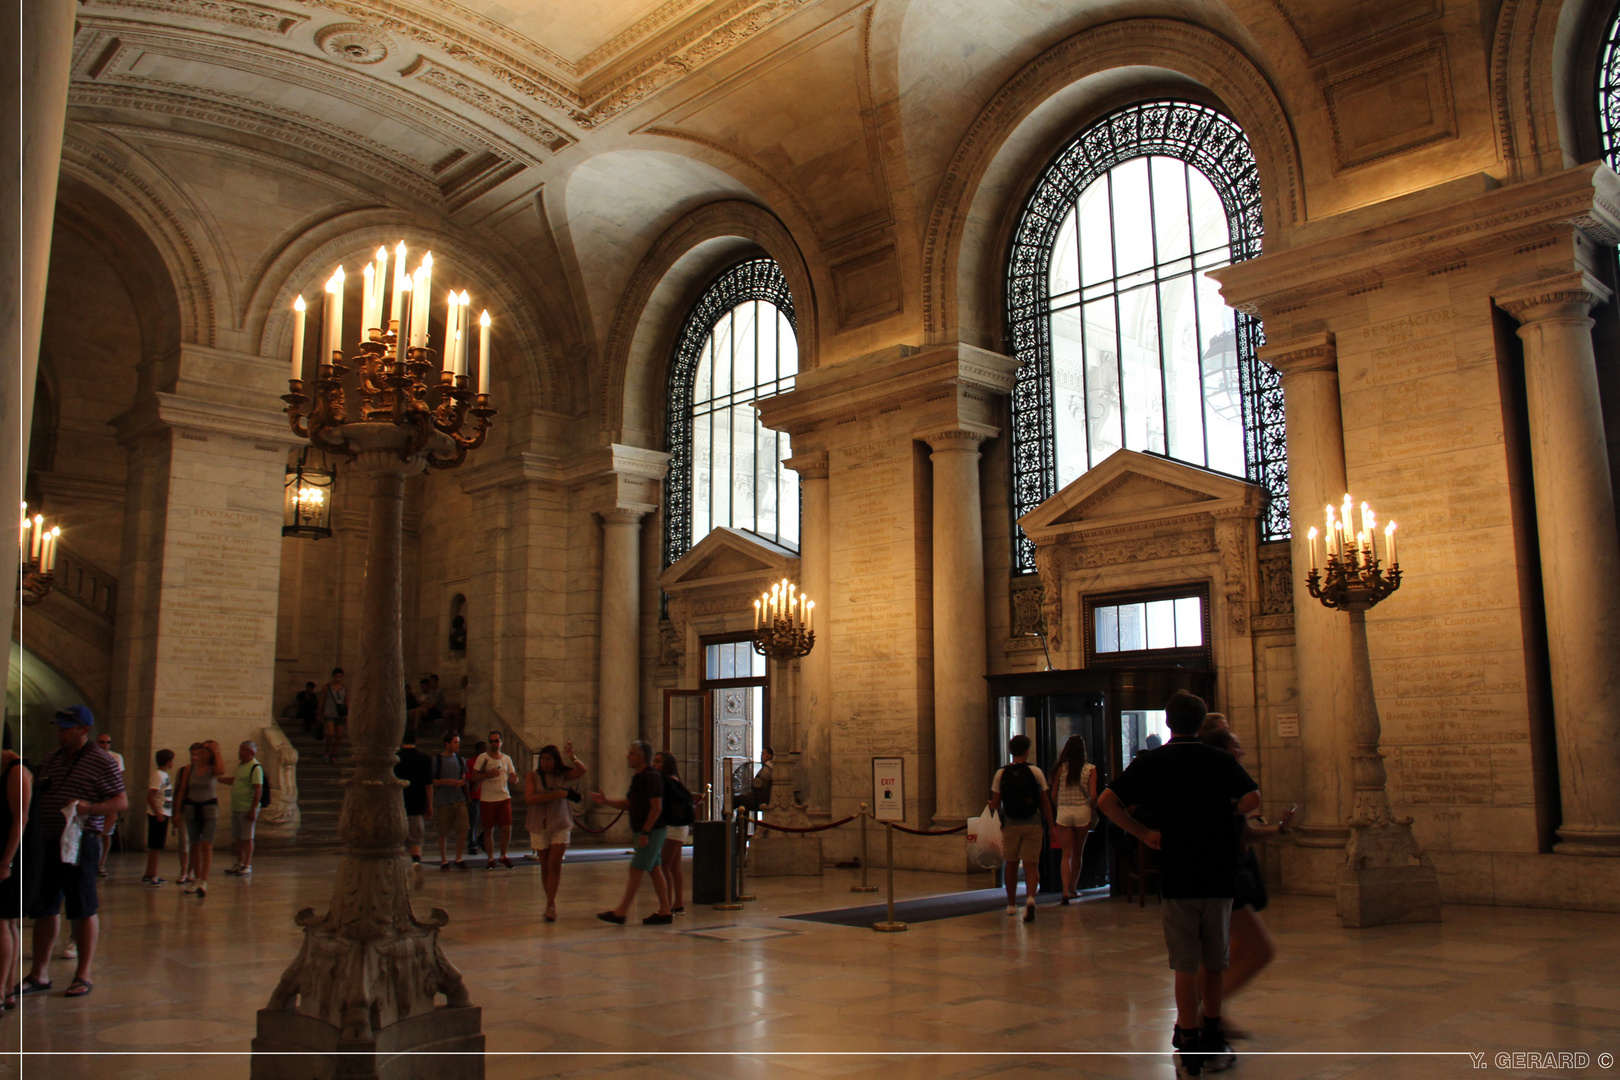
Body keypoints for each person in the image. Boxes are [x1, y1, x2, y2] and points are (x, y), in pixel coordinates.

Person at [1098, 691, 1260, 1079]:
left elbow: (1106, 801)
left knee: (1184, 966)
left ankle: (1187, 1040)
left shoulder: (1153, 761)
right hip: (1217, 874)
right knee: (1215, 962)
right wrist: (1223, 813)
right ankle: (1212, 1034)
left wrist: (1144, 834)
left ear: (1168, 723)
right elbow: (1252, 798)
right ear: (1201, 722)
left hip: (1178, 874)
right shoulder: (1220, 760)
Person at [21, 705, 128, 1000]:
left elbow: (120, 801)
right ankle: (39, 973)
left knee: (82, 907)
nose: (61, 733)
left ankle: (83, 973)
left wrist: (88, 809)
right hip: (48, 841)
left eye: (67, 728)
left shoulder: (101, 761)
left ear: (84, 729)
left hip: (81, 841)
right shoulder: (52, 759)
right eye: (59, 727)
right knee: (45, 907)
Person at [1201, 728, 1294, 1037]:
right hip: (1220, 876)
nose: (1241, 752)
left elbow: (1244, 834)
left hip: (1221, 875)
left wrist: (1278, 830)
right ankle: (1208, 1014)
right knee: (1260, 951)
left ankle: (1211, 1014)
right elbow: (1252, 802)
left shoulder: (1221, 786)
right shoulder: (1221, 787)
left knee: (1232, 951)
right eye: (1235, 746)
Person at [592, 740, 673, 925]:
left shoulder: (651, 777)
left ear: (641, 757)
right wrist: (606, 802)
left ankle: (621, 912)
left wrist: (645, 832)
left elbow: (656, 807)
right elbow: (630, 804)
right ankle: (665, 911)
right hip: (646, 831)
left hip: (651, 831)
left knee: (636, 869)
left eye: (631, 753)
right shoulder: (639, 778)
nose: (628, 757)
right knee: (654, 869)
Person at [988, 734, 1053, 923]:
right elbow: (1044, 802)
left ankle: (1011, 904)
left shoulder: (1001, 773)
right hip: (1033, 822)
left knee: (1011, 863)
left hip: (1011, 823)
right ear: (1027, 751)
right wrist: (1051, 825)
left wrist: (990, 805)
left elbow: (996, 802)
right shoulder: (1035, 772)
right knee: (1032, 864)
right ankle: (1031, 899)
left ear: (1011, 751)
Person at [523, 742, 586, 921]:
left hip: (560, 822)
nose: (545, 762)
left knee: (554, 863)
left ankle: (550, 904)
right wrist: (556, 795)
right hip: (539, 823)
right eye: (543, 759)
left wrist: (572, 757)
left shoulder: (562, 775)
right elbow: (529, 798)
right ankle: (550, 901)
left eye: (549, 759)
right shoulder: (532, 776)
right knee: (544, 864)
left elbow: (582, 771)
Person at [176, 740, 230, 897]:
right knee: (194, 844)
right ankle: (196, 877)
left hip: (209, 807)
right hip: (192, 808)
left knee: (207, 844)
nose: (205, 752)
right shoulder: (189, 769)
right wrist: (177, 813)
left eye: (208, 750)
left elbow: (221, 771)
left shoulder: (213, 769)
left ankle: (204, 880)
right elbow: (181, 791)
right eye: (204, 749)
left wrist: (216, 751)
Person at [1, 747, 33, 1010]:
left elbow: (20, 817)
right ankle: (9, 991)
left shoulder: (16, 771)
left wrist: (6, 862)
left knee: (2, 921)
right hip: (9, 856)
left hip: (10, 857)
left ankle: (1, 992)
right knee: (8, 922)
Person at [1050, 734, 1099, 904]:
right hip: (1082, 812)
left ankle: (1064, 891)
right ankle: (1073, 889)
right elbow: (1093, 795)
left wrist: (1060, 806)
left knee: (1066, 855)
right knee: (1078, 853)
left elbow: (1054, 794)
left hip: (1063, 811)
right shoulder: (1090, 769)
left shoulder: (1060, 769)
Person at [653, 752, 696, 917]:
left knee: (664, 867)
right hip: (680, 827)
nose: (654, 765)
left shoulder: (666, 782)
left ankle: (667, 905)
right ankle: (678, 904)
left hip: (672, 827)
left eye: (658, 762)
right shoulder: (675, 781)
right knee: (674, 867)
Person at [470, 732, 517, 869]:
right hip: (487, 798)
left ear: (501, 742)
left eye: (496, 741)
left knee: (507, 827)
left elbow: (513, 774)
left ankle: (503, 855)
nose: (494, 743)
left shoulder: (507, 759)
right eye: (491, 741)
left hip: (504, 797)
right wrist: (487, 775)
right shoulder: (482, 758)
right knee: (488, 829)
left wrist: (514, 779)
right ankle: (490, 858)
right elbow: (474, 777)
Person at [223, 741, 264, 876]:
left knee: (247, 837)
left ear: (251, 752)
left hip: (247, 807)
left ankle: (247, 864)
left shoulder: (255, 767)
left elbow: (258, 790)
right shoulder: (241, 765)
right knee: (238, 837)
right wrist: (219, 779)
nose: (239, 753)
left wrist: (253, 809)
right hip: (237, 806)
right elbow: (236, 781)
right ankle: (239, 862)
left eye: (242, 751)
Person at [395, 729, 434, 870]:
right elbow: (428, 785)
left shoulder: (395, 758)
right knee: (416, 836)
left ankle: (396, 862)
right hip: (417, 803)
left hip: (398, 803)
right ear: (416, 741)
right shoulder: (424, 759)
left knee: (396, 835)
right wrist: (429, 805)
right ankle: (416, 861)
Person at [431, 732, 470, 870]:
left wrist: (462, 783)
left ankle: (458, 857)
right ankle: (444, 860)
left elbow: (464, 777)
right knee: (443, 831)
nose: (457, 745)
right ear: (447, 744)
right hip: (444, 799)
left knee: (463, 828)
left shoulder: (460, 760)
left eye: (458, 742)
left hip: (459, 798)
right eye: (455, 742)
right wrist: (447, 781)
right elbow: (432, 781)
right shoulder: (438, 760)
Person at [93, 732, 125, 878]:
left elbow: (119, 778)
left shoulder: (116, 757)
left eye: (107, 742)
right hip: (96, 797)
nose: (105, 745)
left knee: (107, 832)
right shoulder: (92, 756)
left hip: (110, 796)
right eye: (102, 742)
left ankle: (101, 864)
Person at [142, 749, 175, 886]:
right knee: (156, 846)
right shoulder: (158, 775)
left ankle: (150, 873)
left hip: (163, 813)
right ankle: (153, 874)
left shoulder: (163, 775)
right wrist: (158, 813)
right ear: (168, 762)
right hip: (159, 814)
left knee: (157, 846)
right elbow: (151, 796)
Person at [322, 667, 348, 763]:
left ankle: (334, 753)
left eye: (340, 677)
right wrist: (320, 713)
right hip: (329, 712)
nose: (338, 679)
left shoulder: (344, 687)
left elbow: (346, 701)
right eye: (336, 677)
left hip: (340, 714)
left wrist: (347, 716)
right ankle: (327, 750)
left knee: (339, 735)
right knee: (330, 733)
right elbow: (322, 700)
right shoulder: (327, 687)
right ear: (333, 676)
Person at [741, 746, 774, 812]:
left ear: (770, 756)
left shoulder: (768, 768)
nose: (761, 756)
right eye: (761, 754)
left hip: (760, 799)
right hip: (760, 797)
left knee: (737, 800)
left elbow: (760, 784)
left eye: (763, 754)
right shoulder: (768, 767)